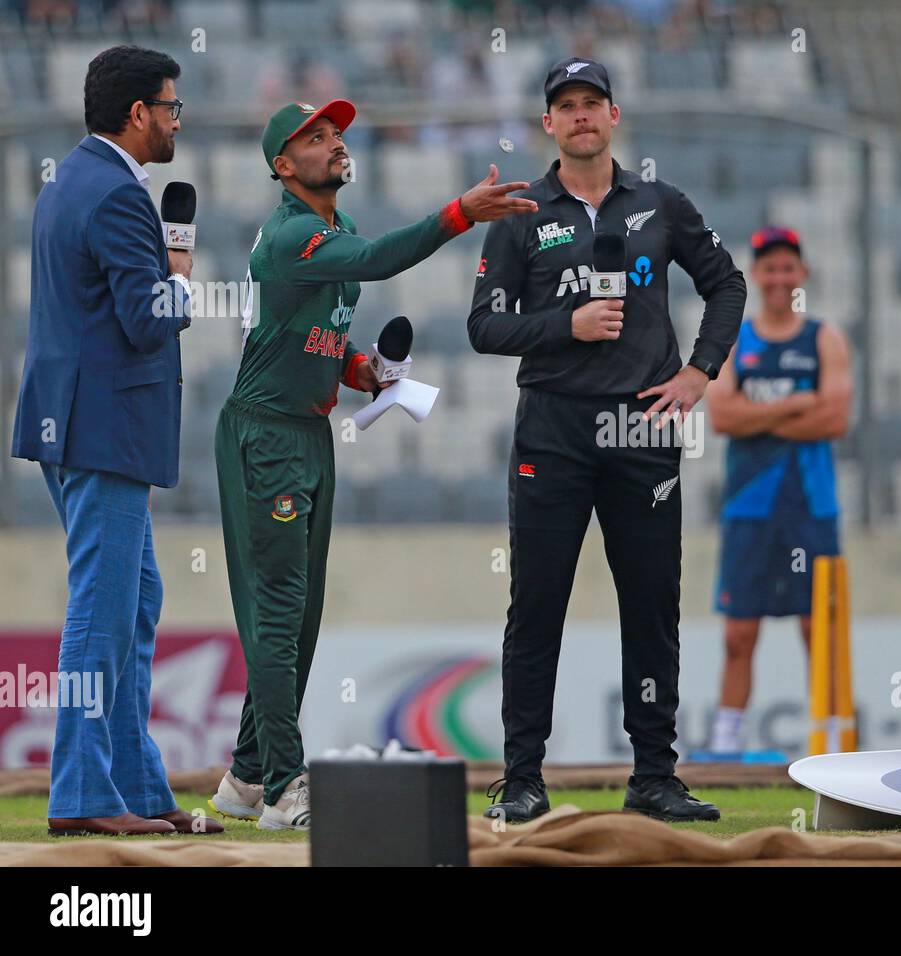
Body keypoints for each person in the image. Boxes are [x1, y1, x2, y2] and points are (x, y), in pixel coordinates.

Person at [207, 99, 536, 830]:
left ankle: (248, 777)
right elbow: (381, 261)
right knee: (280, 611)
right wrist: (458, 213)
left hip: (306, 433)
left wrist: (365, 372)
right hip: (266, 435)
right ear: (283, 167)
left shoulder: (334, 227)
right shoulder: (294, 235)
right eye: (315, 138)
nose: (335, 144)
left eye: (336, 133)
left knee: (300, 616)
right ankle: (288, 784)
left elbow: (317, 336)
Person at [467, 58, 746, 823]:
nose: (581, 115)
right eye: (566, 105)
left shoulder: (661, 203)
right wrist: (567, 325)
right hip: (553, 429)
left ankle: (655, 774)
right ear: (548, 124)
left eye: (593, 102)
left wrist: (700, 373)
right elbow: (483, 325)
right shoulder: (520, 211)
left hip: (645, 427)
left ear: (613, 116)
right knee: (538, 605)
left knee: (652, 605)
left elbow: (727, 284)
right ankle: (522, 776)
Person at [10, 45, 210, 836]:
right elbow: (146, 318)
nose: (174, 121)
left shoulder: (70, 179)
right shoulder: (121, 197)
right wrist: (183, 279)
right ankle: (86, 796)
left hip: (73, 419)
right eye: (170, 106)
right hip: (104, 428)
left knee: (135, 600)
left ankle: (133, 783)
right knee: (103, 606)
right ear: (138, 114)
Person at [705, 227, 852, 752]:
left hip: (811, 506)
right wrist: (796, 405)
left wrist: (758, 416)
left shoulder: (823, 338)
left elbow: (834, 419)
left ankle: (832, 740)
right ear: (756, 274)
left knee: (819, 631)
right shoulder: (736, 339)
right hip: (749, 508)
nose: (778, 277)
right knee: (738, 634)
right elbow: (721, 415)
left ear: (802, 274)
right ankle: (726, 745)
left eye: (787, 266)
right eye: (769, 267)